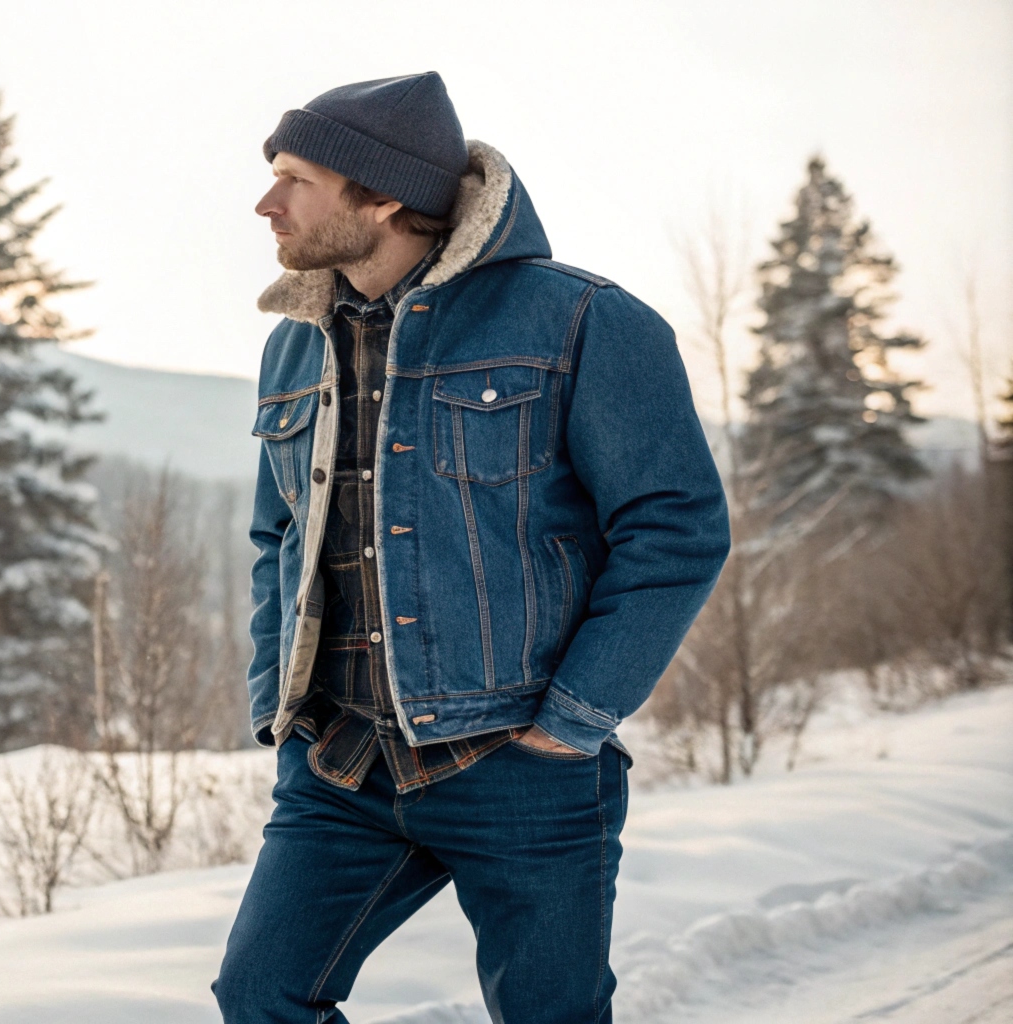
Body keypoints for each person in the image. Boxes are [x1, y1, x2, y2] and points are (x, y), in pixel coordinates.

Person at [215, 72, 730, 1024]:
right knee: (259, 997)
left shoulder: (582, 323)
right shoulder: (295, 343)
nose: (266, 203)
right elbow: (278, 533)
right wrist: (279, 708)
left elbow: (675, 529)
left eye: (296, 179)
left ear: (381, 197)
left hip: (520, 765)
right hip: (341, 765)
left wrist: (568, 724)